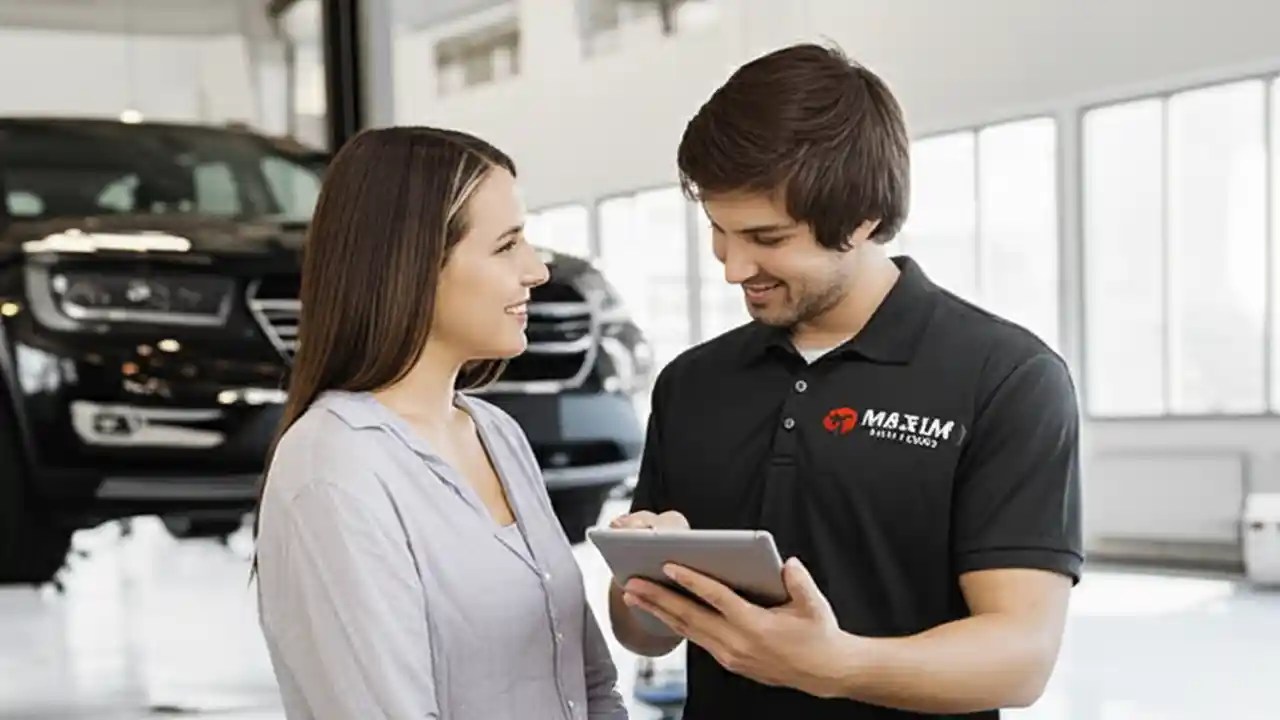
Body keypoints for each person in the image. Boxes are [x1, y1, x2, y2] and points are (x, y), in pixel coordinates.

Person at [607, 43, 1082, 719]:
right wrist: (642, 589)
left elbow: (1020, 657)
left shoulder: (1006, 379)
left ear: (862, 219)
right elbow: (644, 634)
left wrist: (835, 668)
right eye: (719, 230)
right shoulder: (692, 384)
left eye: (767, 238)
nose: (734, 267)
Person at [253, 127, 627, 720]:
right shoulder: (334, 468)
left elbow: (591, 687)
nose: (536, 271)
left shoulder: (495, 433)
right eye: (507, 246)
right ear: (416, 264)